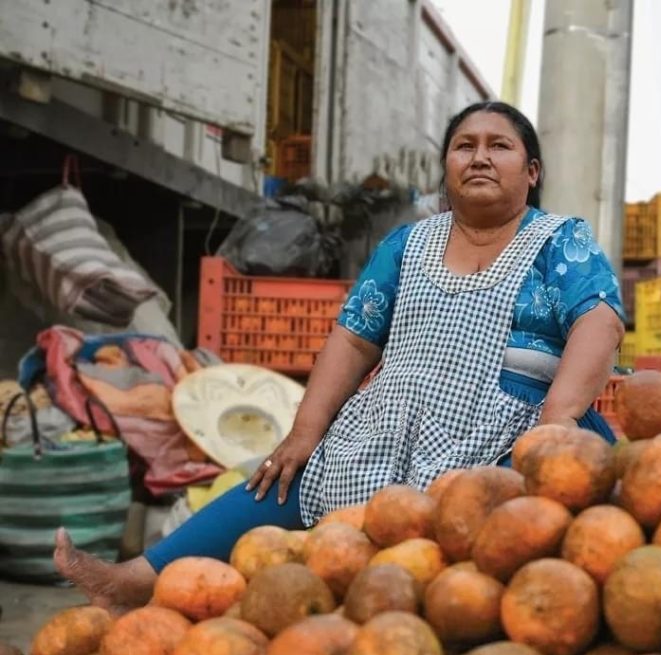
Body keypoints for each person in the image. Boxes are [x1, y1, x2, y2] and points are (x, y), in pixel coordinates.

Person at [54, 101, 626, 611]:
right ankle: (135, 580)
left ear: (531, 172)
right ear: (447, 168)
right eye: (463, 146)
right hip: (393, 421)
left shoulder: (559, 240)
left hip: (510, 430)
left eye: (498, 146)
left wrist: (555, 423)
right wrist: (306, 430)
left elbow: (598, 321)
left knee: (486, 539)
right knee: (291, 475)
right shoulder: (409, 243)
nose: (479, 157)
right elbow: (353, 338)